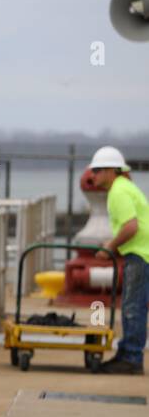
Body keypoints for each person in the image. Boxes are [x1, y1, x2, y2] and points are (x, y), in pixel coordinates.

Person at [90, 146, 148, 375]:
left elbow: (131, 227)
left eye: (97, 170)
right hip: (141, 252)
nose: (92, 175)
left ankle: (131, 358)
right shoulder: (125, 187)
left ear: (111, 171)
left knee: (133, 307)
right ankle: (126, 354)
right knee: (132, 305)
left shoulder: (118, 192)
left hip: (140, 254)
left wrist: (110, 247)